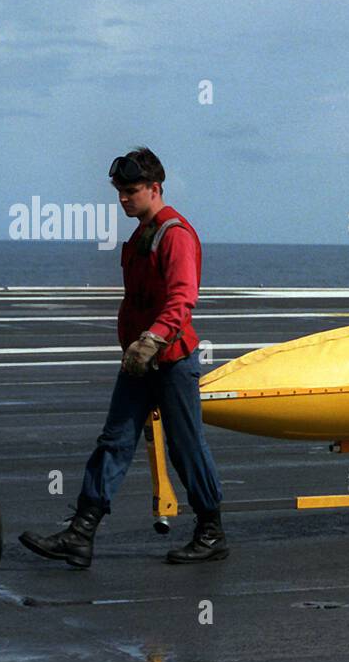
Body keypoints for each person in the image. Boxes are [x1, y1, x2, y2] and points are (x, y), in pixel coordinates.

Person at [20, 147, 228, 566]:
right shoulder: (142, 236)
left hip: (170, 361)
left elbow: (183, 298)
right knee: (113, 442)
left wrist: (152, 339)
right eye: (119, 192)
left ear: (155, 188)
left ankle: (211, 531)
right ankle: (81, 534)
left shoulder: (175, 235)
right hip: (139, 361)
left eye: (131, 191)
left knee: (186, 448)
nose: (123, 199)